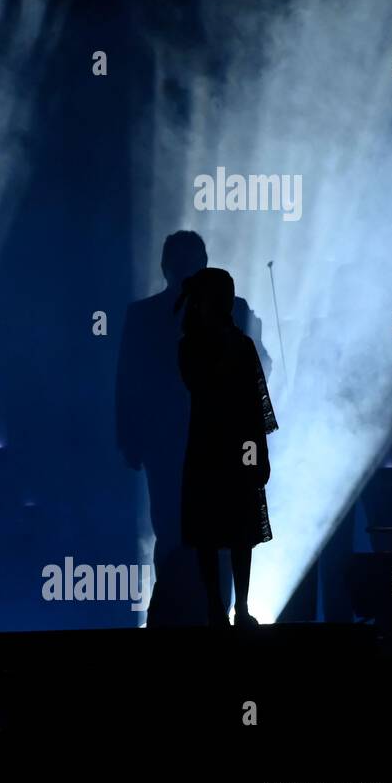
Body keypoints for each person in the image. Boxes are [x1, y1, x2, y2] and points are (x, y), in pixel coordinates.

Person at [116, 231, 270, 625]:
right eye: (180, 262)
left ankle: (220, 610)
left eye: (191, 262)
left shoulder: (231, 310)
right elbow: (127, 379)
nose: (186, 270)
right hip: (169, 443)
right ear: (166, 267)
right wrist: (129, 436)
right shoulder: (145, 315)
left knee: (223, 527)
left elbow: (257, 370)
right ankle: (184, 613)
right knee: (174, 529)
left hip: (216, 439)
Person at [175, 267, 278, 628]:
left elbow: (255, 404)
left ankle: (241, 607)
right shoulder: (192, 346)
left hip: (235, 445)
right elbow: (200, 384)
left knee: (241, 532)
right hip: (208, 446)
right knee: (209, 532)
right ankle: (216, 607)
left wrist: (259, 454)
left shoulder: (241, 344)